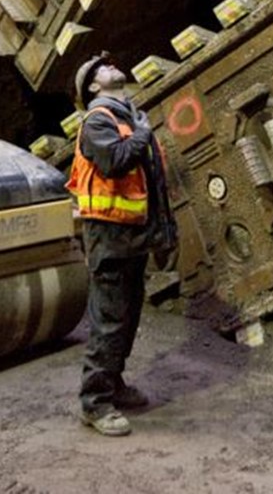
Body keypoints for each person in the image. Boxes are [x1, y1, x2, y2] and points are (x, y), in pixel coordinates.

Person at [67, 52, 178, 436]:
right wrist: (145, 134)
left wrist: (162, 235)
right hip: (109, 239)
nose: (111, 66)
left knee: (127, 316)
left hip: (130, 235)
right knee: (110, 321)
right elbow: (115, 161)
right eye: (100, 68)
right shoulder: (97, 121)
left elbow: (151, 184)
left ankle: (113, 385)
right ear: (94, 87)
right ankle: (94, 403)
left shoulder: (126, 118)